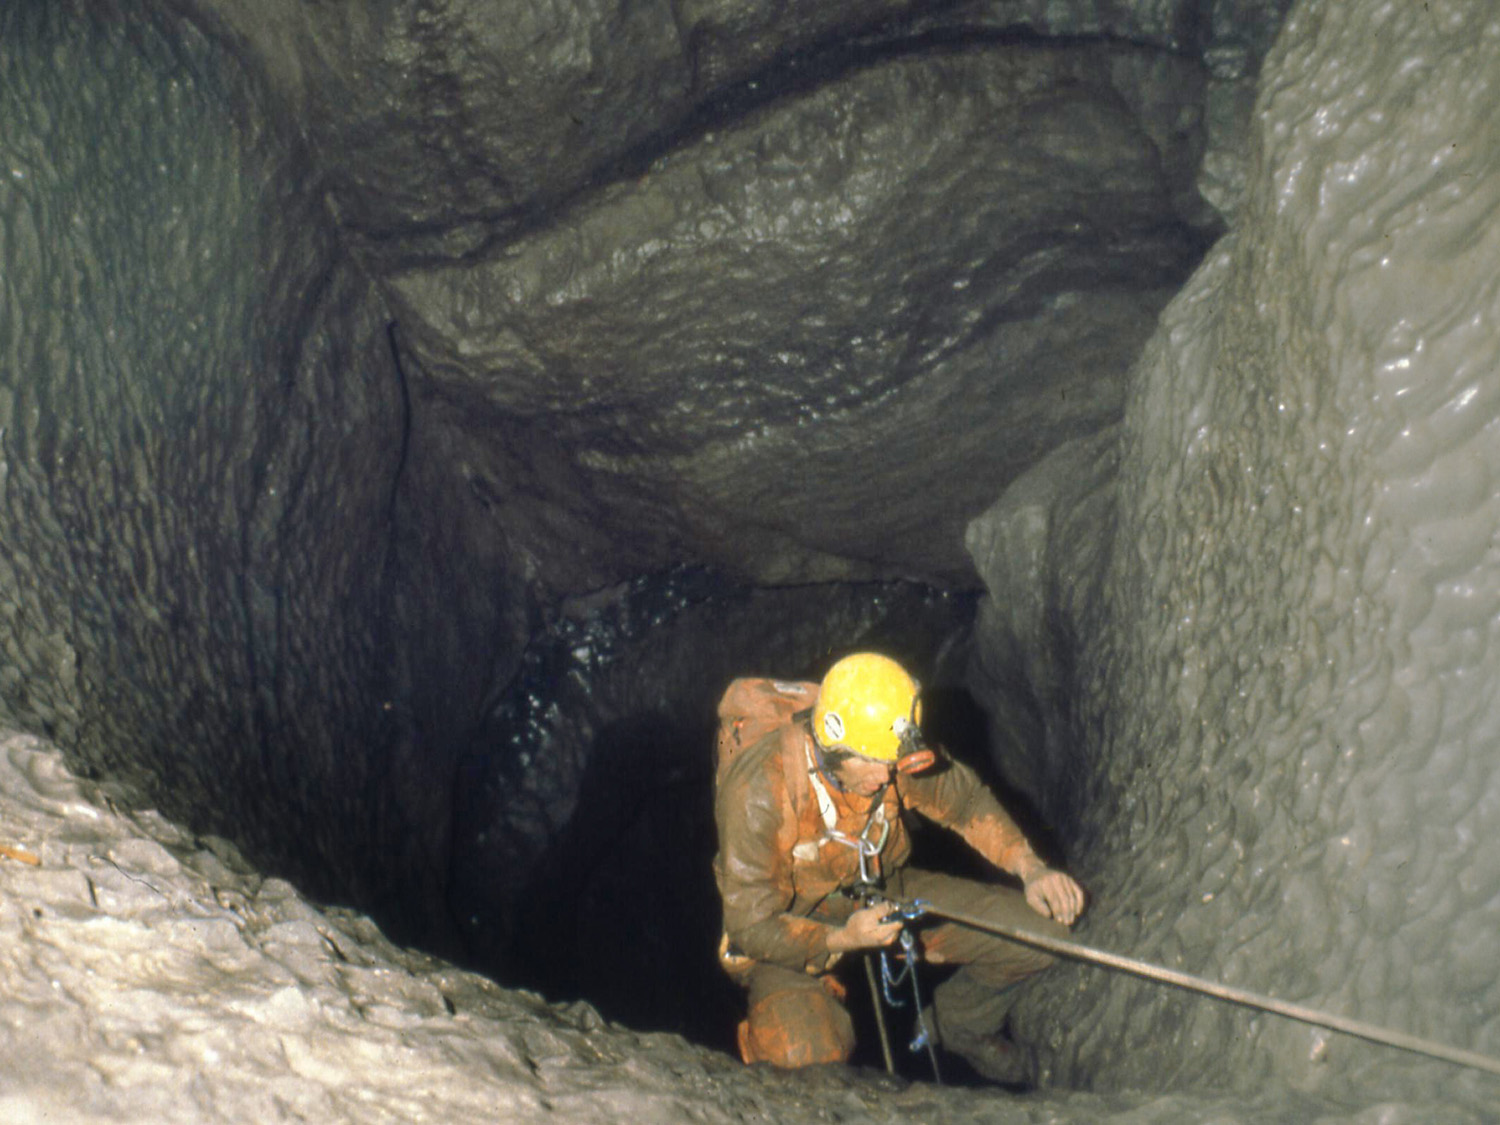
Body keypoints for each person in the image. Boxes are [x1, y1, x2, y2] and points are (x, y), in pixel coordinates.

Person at [712, 652, 1085, 1083]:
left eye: (892, 764)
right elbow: (750, 925)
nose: (885, 777)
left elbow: (965, 803)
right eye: (870, 763)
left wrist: (1030, 868)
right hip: (794, 924)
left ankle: (957, 1026)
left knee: (1043, 937)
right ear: (832, 748)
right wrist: (842, 937)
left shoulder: (891, 757)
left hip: (881, 890)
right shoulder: (758, 793)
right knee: (802, 1055)